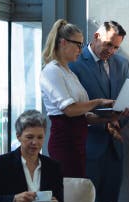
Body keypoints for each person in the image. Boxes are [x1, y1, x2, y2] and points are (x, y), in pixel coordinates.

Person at [68, 20, 129, 202]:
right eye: (109, 44)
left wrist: (122, 119)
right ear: (96, 36)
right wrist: (104, 124)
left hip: (114, 149)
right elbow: (73, 108)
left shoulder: (122, 63)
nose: (111, 51)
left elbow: (124, 99)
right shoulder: (74, 64)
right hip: (88, 147)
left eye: (116, 47)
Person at [40, 19, 113, 178]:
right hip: (65, 143)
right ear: (63, 43)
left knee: (78, 191)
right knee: (69, 193)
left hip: (77, 143)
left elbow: (83, 116)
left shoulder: (68, 72)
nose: (81, 49)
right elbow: (69, 110)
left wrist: (109, 117)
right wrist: (98, 102)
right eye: (78, 45)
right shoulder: (52, 71)